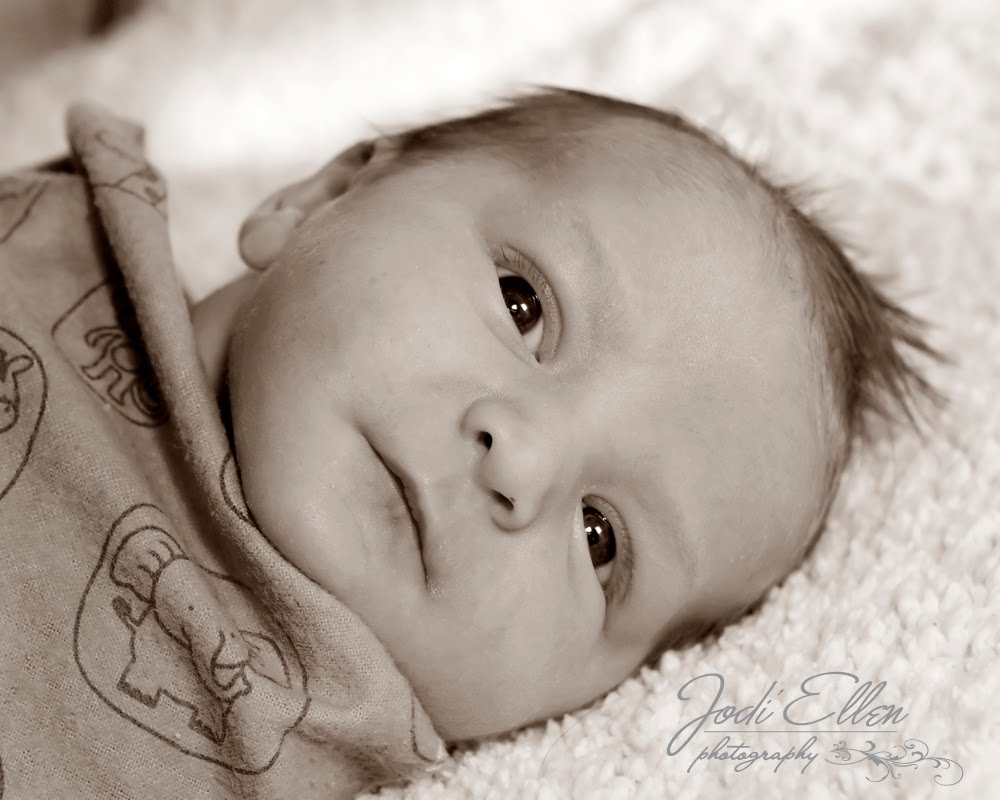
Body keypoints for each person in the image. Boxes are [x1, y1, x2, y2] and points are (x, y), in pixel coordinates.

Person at [0, 87, 940, 798]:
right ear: (322, 193)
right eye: (523, 306)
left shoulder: (328, 744)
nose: (522, 462)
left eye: (599, 539)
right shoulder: (44, 246)